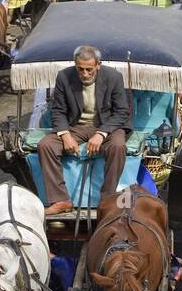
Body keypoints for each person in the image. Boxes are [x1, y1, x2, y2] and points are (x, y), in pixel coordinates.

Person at [37, 45, 130, 215]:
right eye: (80, 69)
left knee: (118, 146)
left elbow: (122, 112)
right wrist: (64, 134)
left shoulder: (114, 77)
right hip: (76, 126)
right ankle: (61, 200)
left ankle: (108, 199)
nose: (85, 74)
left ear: (98, 65)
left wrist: (101, 134)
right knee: (46, 145)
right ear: (75, 65)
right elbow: (58, 110)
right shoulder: (64, 77)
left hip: (106, 125)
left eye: (89, 69)